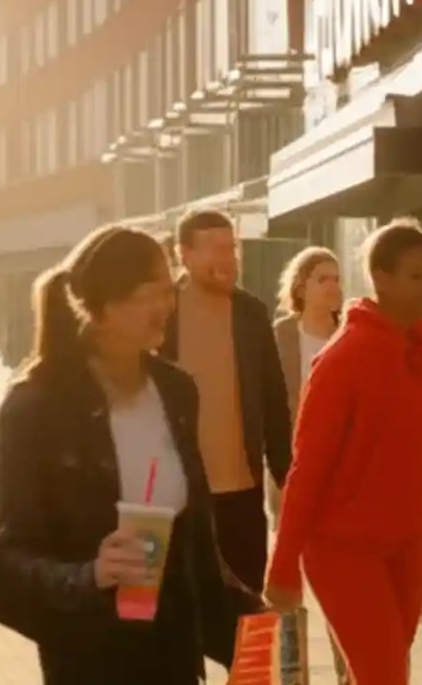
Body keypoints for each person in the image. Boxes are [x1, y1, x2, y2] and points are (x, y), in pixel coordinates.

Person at [0, 225, 261, 684]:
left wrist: (254, 626)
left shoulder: (177, 391)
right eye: (149, 293)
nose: (166, 306)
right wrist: (92, 574)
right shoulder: (36, 404)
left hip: (173, 649)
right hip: (88, 654)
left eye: (168, 290)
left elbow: (197, 546)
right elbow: (10, 556)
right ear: (101, 306)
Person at [264, 219, 422, 685]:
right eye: (417, 276)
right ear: (381, 278)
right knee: (383, 674)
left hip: (406, 536)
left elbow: (397, 434)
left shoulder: (416, 349)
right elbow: (309, 465)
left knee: (386, 668)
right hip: (343, 547)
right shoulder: (345, 357)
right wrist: (282, 565)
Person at [160, 209, 291, 592]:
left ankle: (246, 656)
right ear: (184, 254)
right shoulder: (163, 311)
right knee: (182, 610)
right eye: (215, 249)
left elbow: (273, 400)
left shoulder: (251, 313)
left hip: (242, 496)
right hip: (178, 497)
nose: (228, 258)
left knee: (249, 609)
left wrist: (287, 476)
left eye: (231, 247)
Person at [270, 245, 349, 684]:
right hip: (291, 472)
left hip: (343, 475)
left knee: (341, 585)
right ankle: (291, 675)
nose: (334, 287)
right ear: (301, 286)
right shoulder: (281, 335)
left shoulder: (350, 334)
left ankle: (348, 673)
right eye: (324, 278)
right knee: (287, 577)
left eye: (337, 278)